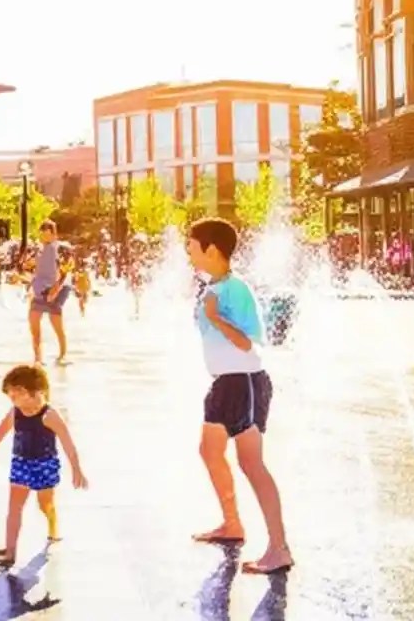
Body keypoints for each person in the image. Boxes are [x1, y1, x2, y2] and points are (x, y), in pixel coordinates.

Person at [186, 217, 292, 575]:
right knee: (209, 451)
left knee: (252, 464)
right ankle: (232, 524)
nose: (187, 250)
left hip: (244, 382)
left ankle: (279, 548)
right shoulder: (212, 286)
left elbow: (247, 342)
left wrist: (215, 318)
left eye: (192, 244)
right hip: (224, 383)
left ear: (211, 250)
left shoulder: (235, 289)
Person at [0, 364, 87, 568]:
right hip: (21, 462)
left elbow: (68, 442)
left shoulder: (50, 416)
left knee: (45, 504)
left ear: (29, 393)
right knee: (14, 506)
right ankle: (10, 551)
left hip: (44, 464)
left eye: (14, 396)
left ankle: (52, 523)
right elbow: (2, 429)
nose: (13, 401)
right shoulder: (15, 412)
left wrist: (76, 468)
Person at [27, 221, 70, 366]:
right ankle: (38, 357)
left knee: (56, 322)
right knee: (33, 321)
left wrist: (56, 289)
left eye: (48, 232)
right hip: (39, 289)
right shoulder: (38, 249)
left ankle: (63, 354)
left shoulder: (60, 248)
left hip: (55, 288)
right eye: (42, 232)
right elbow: (34, 270)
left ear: (54, 233)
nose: (45, 235)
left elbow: (65, 270)